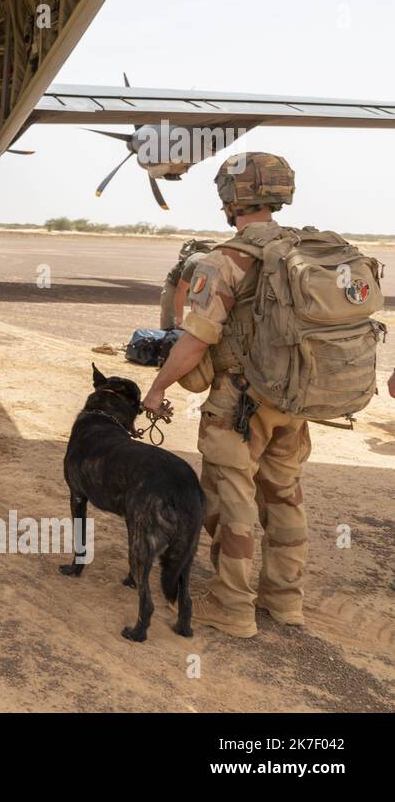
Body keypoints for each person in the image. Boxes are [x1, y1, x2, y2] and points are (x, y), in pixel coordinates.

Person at [142, 153, 308, 638]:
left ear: (231, 198)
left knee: (231, 500)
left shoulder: (224, 261)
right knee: (284, 496)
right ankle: (285, 600)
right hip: (293, 399)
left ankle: (231, 606)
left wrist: (157, 387)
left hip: (239, 403)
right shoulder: (301, 251)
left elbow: (195, 341)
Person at [159, 239, 215, 330]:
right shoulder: (195, 263)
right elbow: (181, 290)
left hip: (196, 283)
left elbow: (200, 295)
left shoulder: (221, 266)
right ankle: (166, 335)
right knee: (168, 315)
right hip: (175, 284)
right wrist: (179, 318)